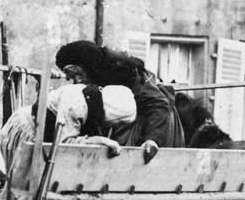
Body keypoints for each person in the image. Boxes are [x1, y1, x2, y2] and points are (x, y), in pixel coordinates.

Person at [54, 39, 183, 153]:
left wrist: (151, 139)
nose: (77, 81)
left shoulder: (124, 71)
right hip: (127, 126)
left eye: (76, 74)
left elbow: (158, 104)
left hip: (156, 123)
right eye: (71, 77)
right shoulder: (95, 78)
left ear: (87, 66)